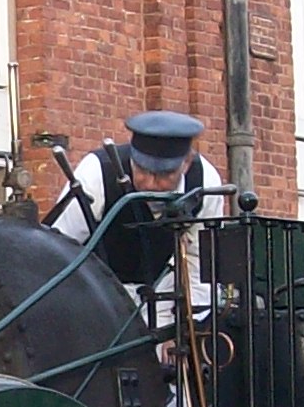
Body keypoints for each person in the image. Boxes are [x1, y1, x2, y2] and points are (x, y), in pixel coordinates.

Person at [46, 110, 223, 294]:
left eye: (164, 175)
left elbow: (197, 262)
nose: (150, 183)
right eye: (142, 171)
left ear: (186, 162)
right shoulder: (97, 173)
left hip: (165, 297)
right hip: (96, 296)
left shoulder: (204, 182)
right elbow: (57, 250)